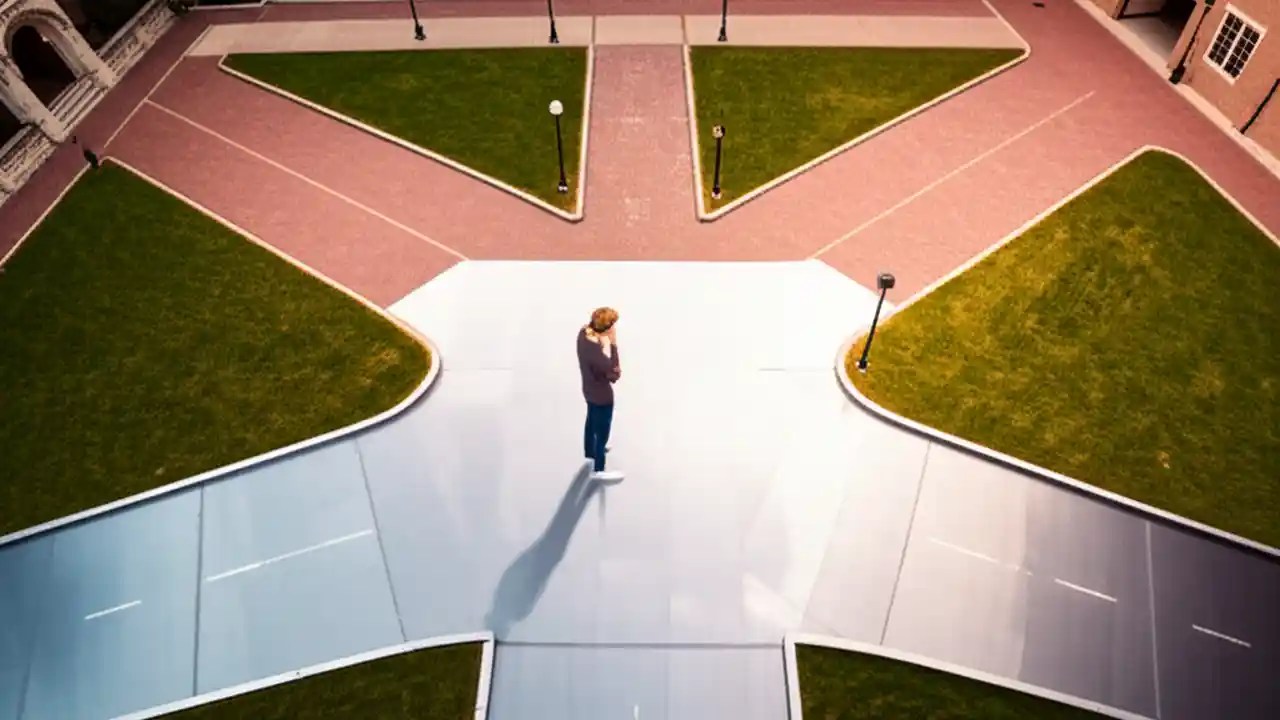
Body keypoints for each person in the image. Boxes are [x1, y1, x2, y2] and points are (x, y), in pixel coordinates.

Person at [577, 307, 623, 482]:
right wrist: (613, 344)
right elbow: (614, 374)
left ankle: (590, 450)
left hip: (588, 389)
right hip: (602, 396)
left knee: (591, 420)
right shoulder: (596, 355)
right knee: (602, 428)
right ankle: (599, 467)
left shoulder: (583, 335)